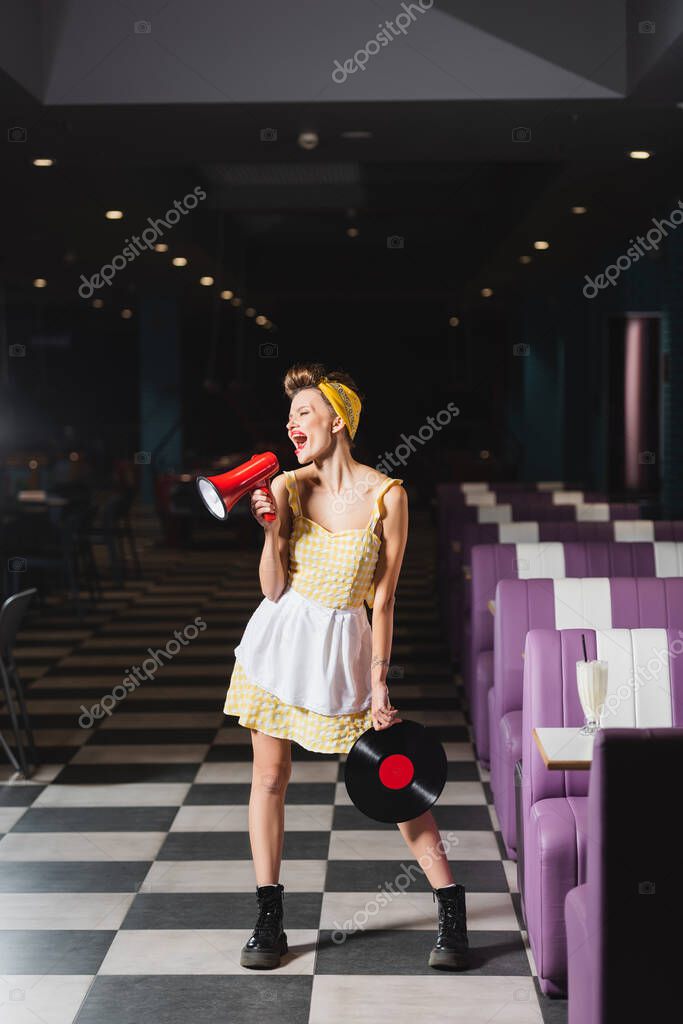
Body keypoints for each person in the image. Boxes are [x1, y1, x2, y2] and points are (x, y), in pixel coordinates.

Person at [223, 362, 469, 971]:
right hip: (278, 645)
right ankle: (268, 917)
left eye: (304, 412)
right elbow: (272, 589)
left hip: (343, 652)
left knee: (395, 773)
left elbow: (383, 600)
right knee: (269, 779)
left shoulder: (389, 496)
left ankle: (451, 906)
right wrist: (269, 533)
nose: (292, 423)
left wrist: (379, 681)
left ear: (337, 420)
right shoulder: (286, 486)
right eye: (289, 415)